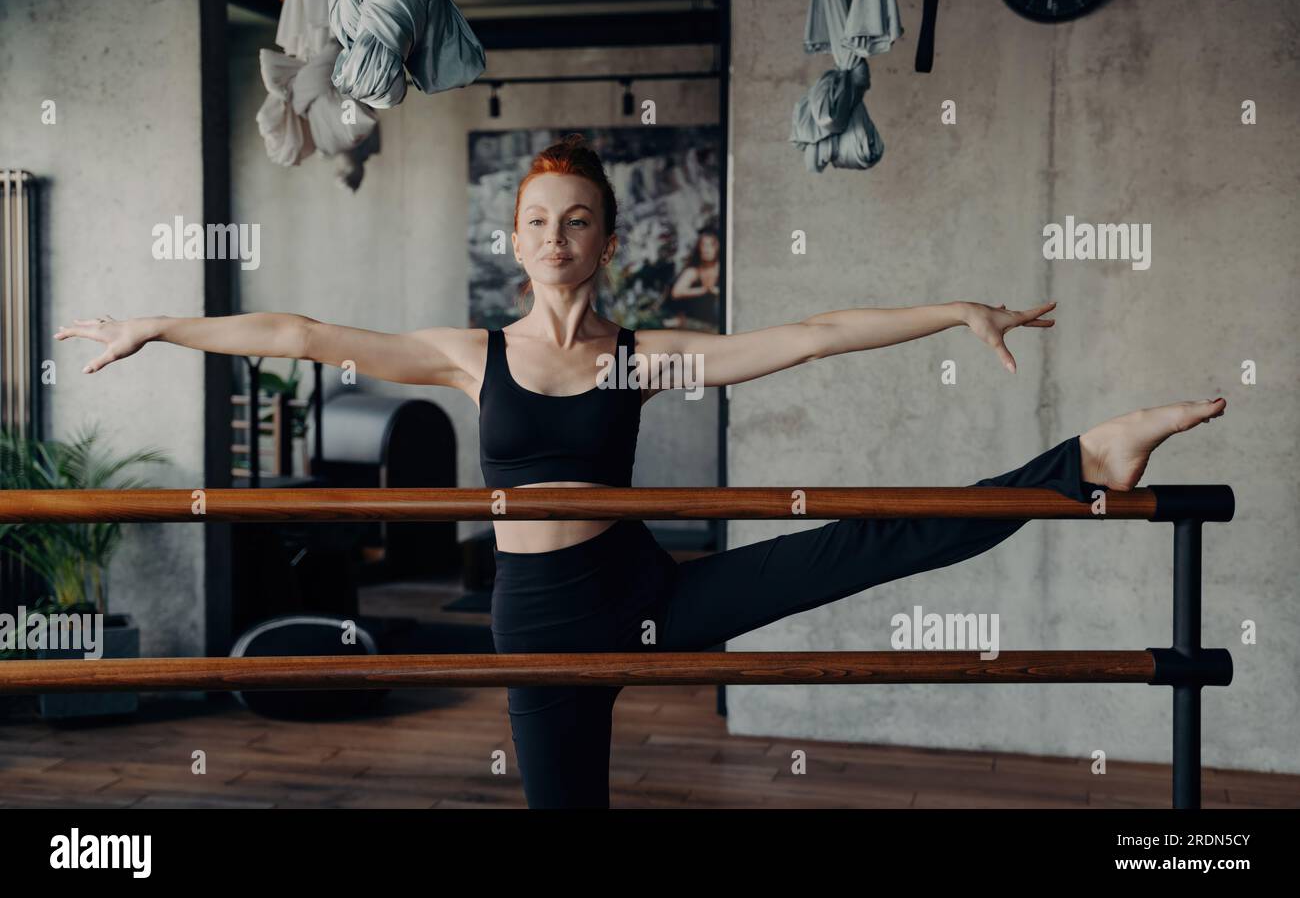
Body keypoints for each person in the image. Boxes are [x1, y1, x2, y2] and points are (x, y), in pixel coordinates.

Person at [56, 132, 1227, 809]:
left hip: (646, 595)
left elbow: (809, 334)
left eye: (577, 221)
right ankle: (1080, 461)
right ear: (511, 240)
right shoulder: (472, 357)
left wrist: (950, 309)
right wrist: (159, 324)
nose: (555, 237)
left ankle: (1083, 457)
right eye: (536, 220)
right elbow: (303, 333)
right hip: (541, 618)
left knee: (878, 535)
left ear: (608, 242)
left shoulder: (645, 357)